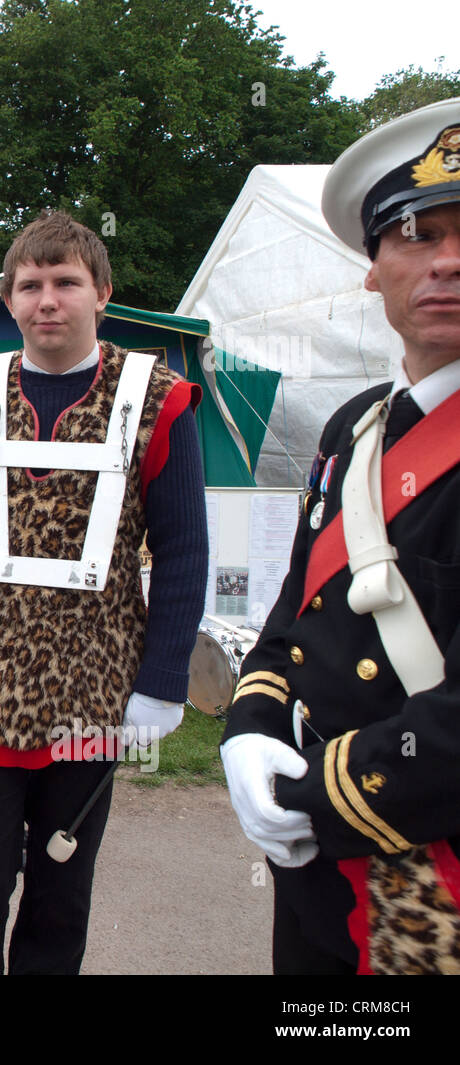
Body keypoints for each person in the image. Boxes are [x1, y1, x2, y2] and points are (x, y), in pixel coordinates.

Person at [0, 211, 207, 974]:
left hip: (95, 690)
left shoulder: (161, 400)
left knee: (62, 888)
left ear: (101, 292)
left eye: (66, 281)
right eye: (30, 284)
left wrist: (163, 681)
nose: (48, 299)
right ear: (8, 299)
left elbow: (184, 551)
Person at [221, 98, 460, 975]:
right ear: (374, 267)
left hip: (434, 872)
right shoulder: (353, 427)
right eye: (418, 234)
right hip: (321, 868)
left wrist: (312, 788)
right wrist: (249, 723)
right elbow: (297, 612)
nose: (449, 261)